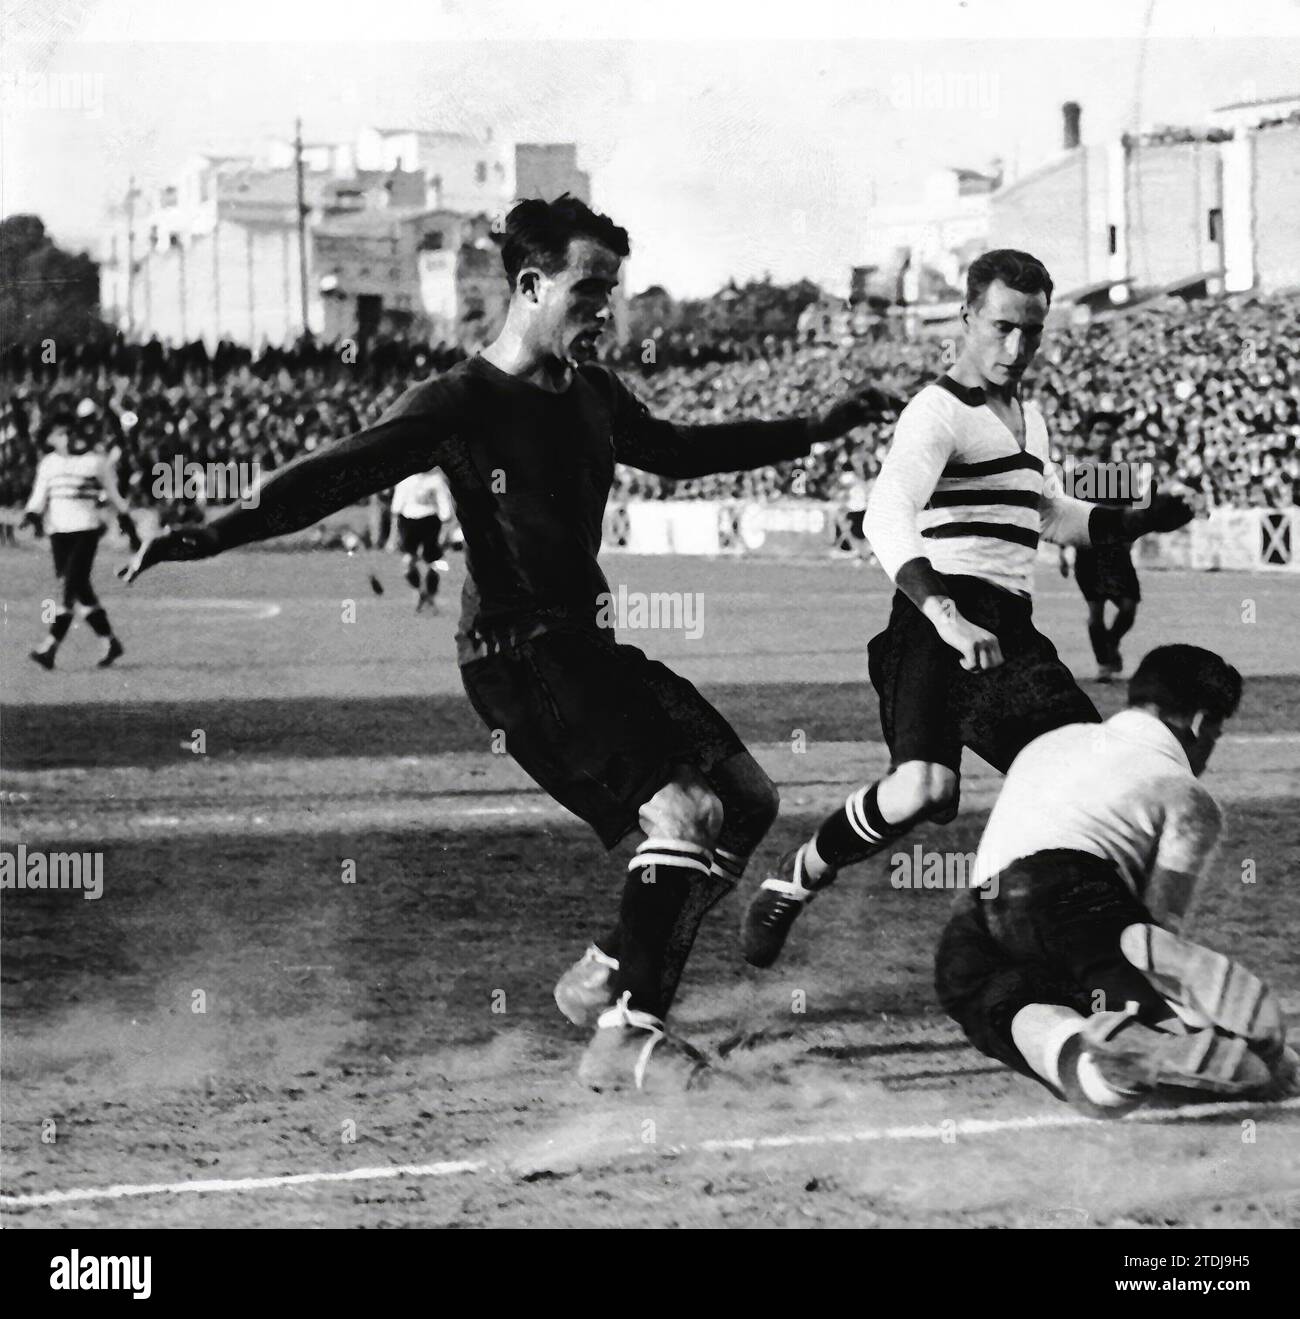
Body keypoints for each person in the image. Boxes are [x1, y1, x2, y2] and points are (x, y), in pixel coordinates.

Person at [120, 195, 897, 1092]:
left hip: (588, 646)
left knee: (748, 799)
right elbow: (333, 475)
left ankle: (608, 968)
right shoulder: (458, 403)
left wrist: (818, 426)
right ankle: (627, 1036)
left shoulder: (598, 392)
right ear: (531, 285)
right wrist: (207, 534)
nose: (607, 310)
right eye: (589, 290)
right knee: (685, 813)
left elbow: (684, 449)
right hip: (517, 654)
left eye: (612, 291)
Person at [741, 249, 1194, 968]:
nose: (1017, 348)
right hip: (935, 615)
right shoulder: (937, 410)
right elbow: (887, 516)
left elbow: (1051, 513)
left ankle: (1091, 955)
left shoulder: (1030, 419)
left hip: (1009, 627)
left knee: (1088, 777)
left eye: (1033, 332)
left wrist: (1139, 518)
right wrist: (947, 615)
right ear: (966, 319)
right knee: (924, 787)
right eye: (1003, 327)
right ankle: (796, 878)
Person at [934, 645, 1296, 1114]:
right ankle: (1232, 1046)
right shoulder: (1185, 792)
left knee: (1013, 1012)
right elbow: (1158, 926)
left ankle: (1100, 1070)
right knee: (1253, 1075)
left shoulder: (1047, 745)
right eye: (1218, 733)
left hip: (973, 921)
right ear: (1203, 723)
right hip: (1072, 898)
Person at [25, 404, 138, 670]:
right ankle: (110, 642)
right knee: (81, 592)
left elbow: (115, 497)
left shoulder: (95, 462)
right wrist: (31, 514)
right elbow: (38, 496)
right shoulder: (49, 464)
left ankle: (50, 647)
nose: (57, 438)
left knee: (68, 589)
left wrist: (131, 530)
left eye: (60, 433)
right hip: (58, 534)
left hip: (85, 531)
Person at [390, 468, 454, 612]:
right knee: (407, 561)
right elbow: (396, 509)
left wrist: (445, 531)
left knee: (435, 562)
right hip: (408, 522)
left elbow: (444, 504)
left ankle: (430, 595)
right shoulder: (405, 479)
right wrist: (392, 537)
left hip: (430, 521)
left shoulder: (436, 480)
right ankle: (419, 591)